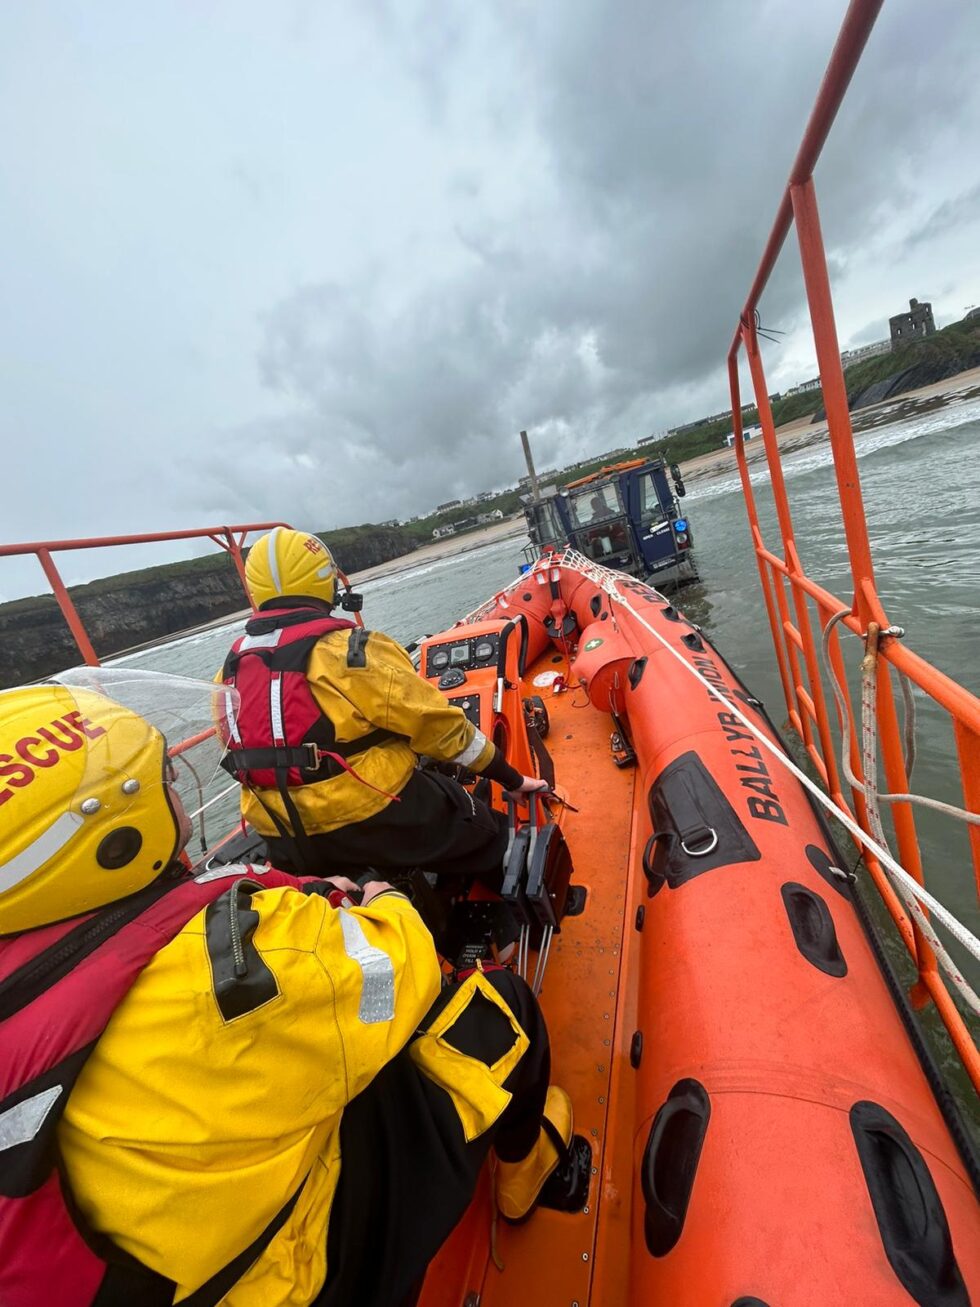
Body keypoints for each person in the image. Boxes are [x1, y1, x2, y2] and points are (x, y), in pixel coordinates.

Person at [0, 674, 574, 1307]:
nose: (173, 789)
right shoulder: (230, 960)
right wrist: (382, 900)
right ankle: (529, 1172)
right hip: (284, 1276)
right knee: (501, 1007)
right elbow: (398, 972)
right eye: (162, 777)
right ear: (113, 830)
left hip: (168, 1267)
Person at [218, 527, 547, 878]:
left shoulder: (230, 669)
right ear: (325, 581)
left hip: (282, 834)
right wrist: (510, 779)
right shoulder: (350, 650)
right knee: (489, 834)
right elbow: (438, 727)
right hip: (373, 813)